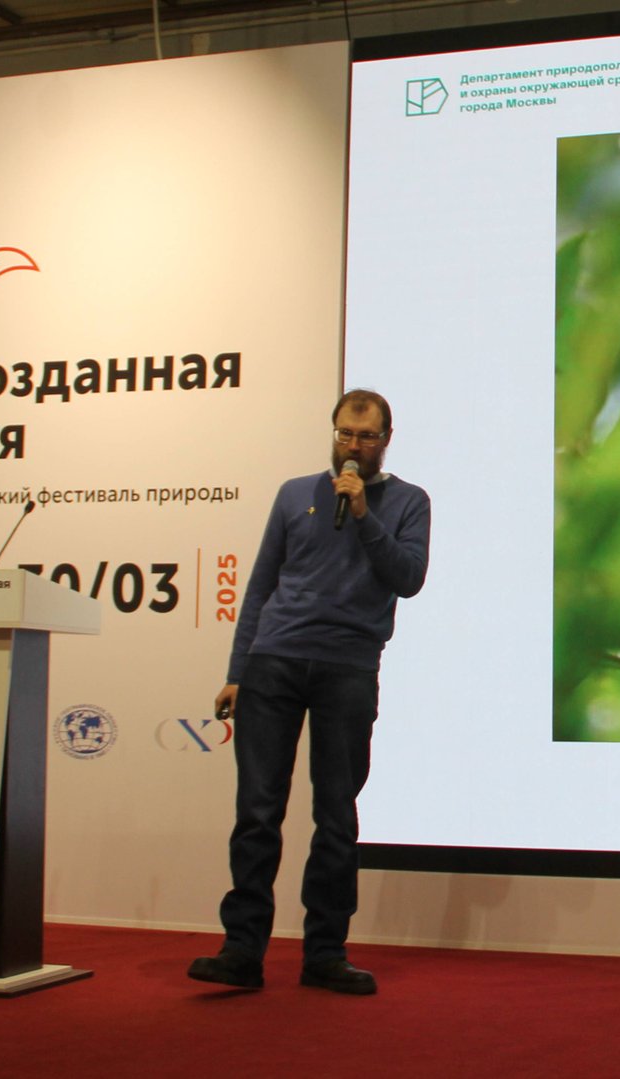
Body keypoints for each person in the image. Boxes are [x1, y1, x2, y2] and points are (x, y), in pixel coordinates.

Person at [188, 389, 430, 995]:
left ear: (386, 439)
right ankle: (242, 950)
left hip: (347, 668)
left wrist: (366, 517)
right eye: (346, 434)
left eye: (366, 437)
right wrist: (238, 670)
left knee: (335, 815)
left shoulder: (408, 502)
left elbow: (409, 578)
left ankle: (325, 953)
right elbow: (262, 582)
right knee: (258, 811)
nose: (354, 447)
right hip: (274, 662)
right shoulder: (295, 494)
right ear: (333, 433)